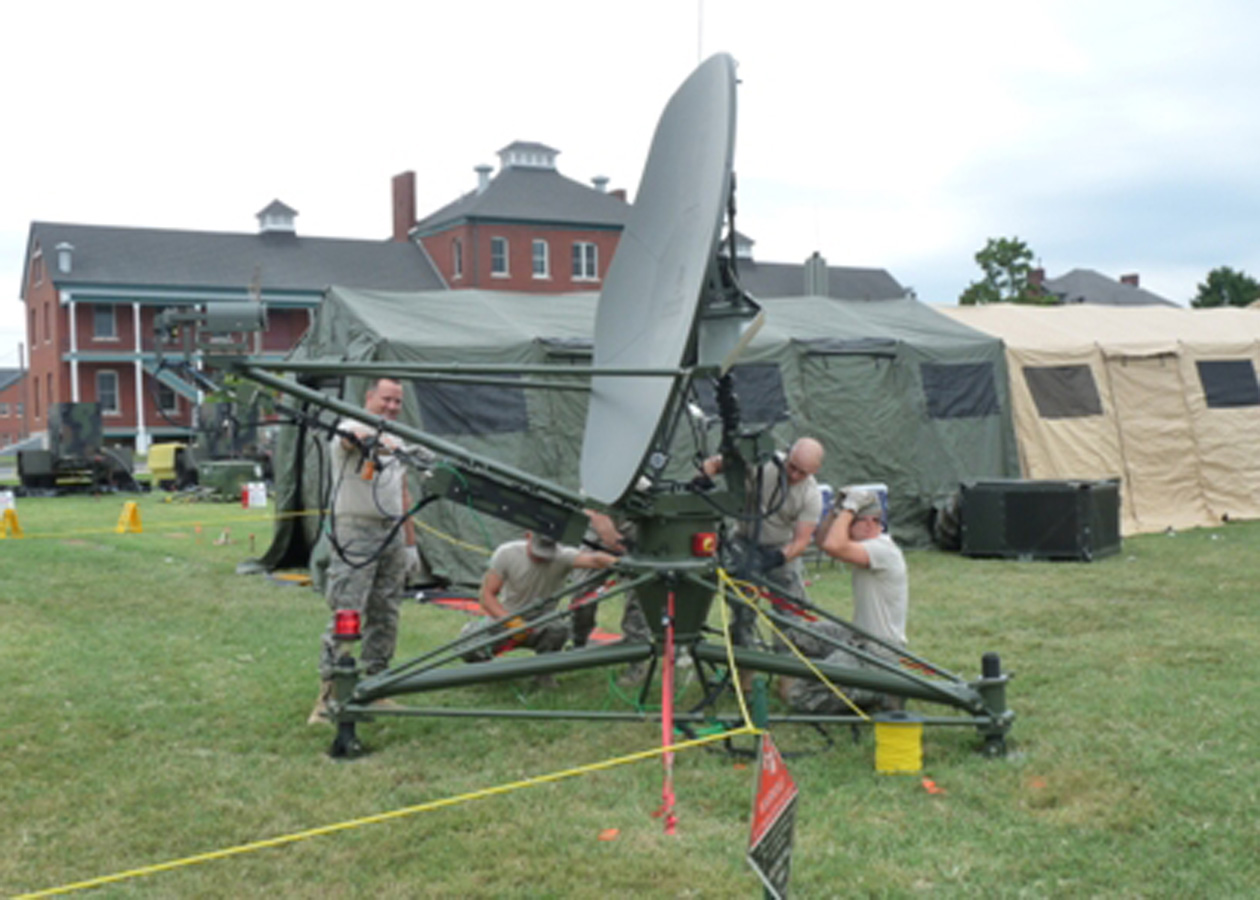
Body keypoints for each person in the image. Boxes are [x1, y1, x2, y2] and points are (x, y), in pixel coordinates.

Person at [309, 377, 422, 725]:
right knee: (347, 612)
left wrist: (410, 543)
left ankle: (376, 687)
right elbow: (351, 442)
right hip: (356, 531)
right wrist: (370, 440)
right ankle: (327, 696)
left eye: (397, 402)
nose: (391, 407)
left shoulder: (398, 440)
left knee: (385, 612)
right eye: (386, 399)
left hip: (391, 532)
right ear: (369, 397)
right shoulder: (349, 427)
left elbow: (403, 493)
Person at [779, 486, 909, 714]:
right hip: (857, 637)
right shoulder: (868, 546)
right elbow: (822, 542)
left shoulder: (883, 550)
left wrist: (850, 507)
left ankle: (878, 691)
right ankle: (840, 678)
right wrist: (836, 510)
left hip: (876, 653)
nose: (844, 529)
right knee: (796, 635)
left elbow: (833, 545)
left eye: (850, 523)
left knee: (799, 697)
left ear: (869, 522)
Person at [461, 532, 617, 669]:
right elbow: (486, 596)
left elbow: (595, 559)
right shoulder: (506, 553)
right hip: (506, 618)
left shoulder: (562, 556)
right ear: (528, 536)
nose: (541, 557)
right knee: (468, 642)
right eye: (537, 552)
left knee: (558, 629)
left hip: (542, 623)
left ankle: (544, 673)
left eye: (546, 554)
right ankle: (483, 671)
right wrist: (511, 622)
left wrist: (621, 564)